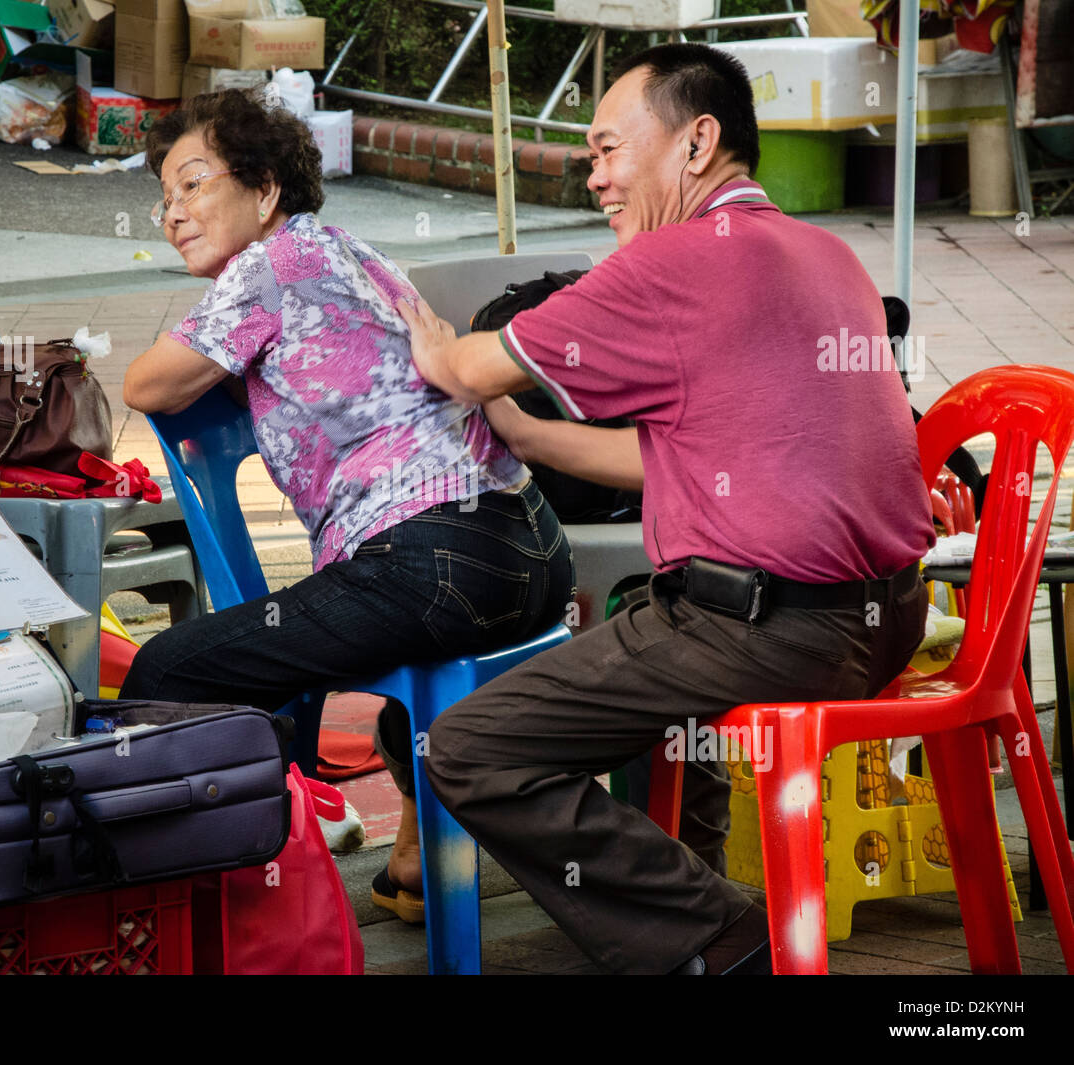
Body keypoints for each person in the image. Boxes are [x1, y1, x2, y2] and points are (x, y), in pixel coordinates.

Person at [399, 43, 935, 974]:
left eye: (609, 149)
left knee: (470, 745)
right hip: (887, 615)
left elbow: (465, 367)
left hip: (777, 629)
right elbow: (700, 458)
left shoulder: (674, 262)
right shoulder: (823, 250)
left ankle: (722, 932)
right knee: (647, 616)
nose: (595, 175)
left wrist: (431, 343)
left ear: (696, 143)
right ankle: (693, 898)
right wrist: (525, 439)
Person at [119, 89, 574, 921]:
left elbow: (145, 383)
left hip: (433, 559)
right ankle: (409, 861)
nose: (171, 213)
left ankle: (223, 902)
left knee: (166, 668)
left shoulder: (269, 266)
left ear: (263, 190)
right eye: (164, 196)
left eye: (192, 185)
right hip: (532, 551)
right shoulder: (350, 251)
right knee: (406, 668)